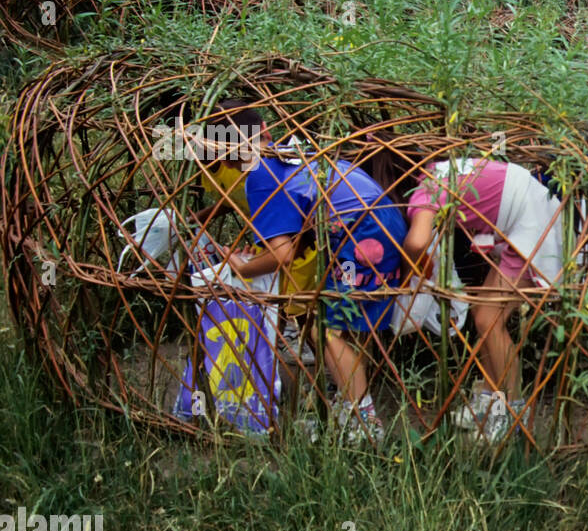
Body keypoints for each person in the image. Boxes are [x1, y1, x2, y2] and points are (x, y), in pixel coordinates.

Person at [211, 100, 406, 442]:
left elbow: (282, 254)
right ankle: (345, 410)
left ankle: (361, 424)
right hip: (380, 223)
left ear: (225, 152)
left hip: (361, 236)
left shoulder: (259, 173)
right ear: (265, 131)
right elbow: (300, 232)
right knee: (336, 325)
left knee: (326, 330)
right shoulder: (292, 152)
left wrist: (241, 267)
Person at [396, 151, 565, 440]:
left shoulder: (425, 189)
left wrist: (403, 269)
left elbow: (417, 241)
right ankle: (489, 400)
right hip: (532, 210)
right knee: (482, 316)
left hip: (533, 222)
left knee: (489, 320)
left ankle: (512, 413)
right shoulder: (442, 169)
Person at [186, 106, 318, 363]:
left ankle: (319, 359)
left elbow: (284, 249)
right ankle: (276, 347)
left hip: (294, 239)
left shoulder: (258, 170)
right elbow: (229, 201)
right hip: (274, 233)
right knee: (276, 298)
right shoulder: (217, 171)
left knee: (298, 306)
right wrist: (198, 218)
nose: (221, 159)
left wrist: (243, 267)